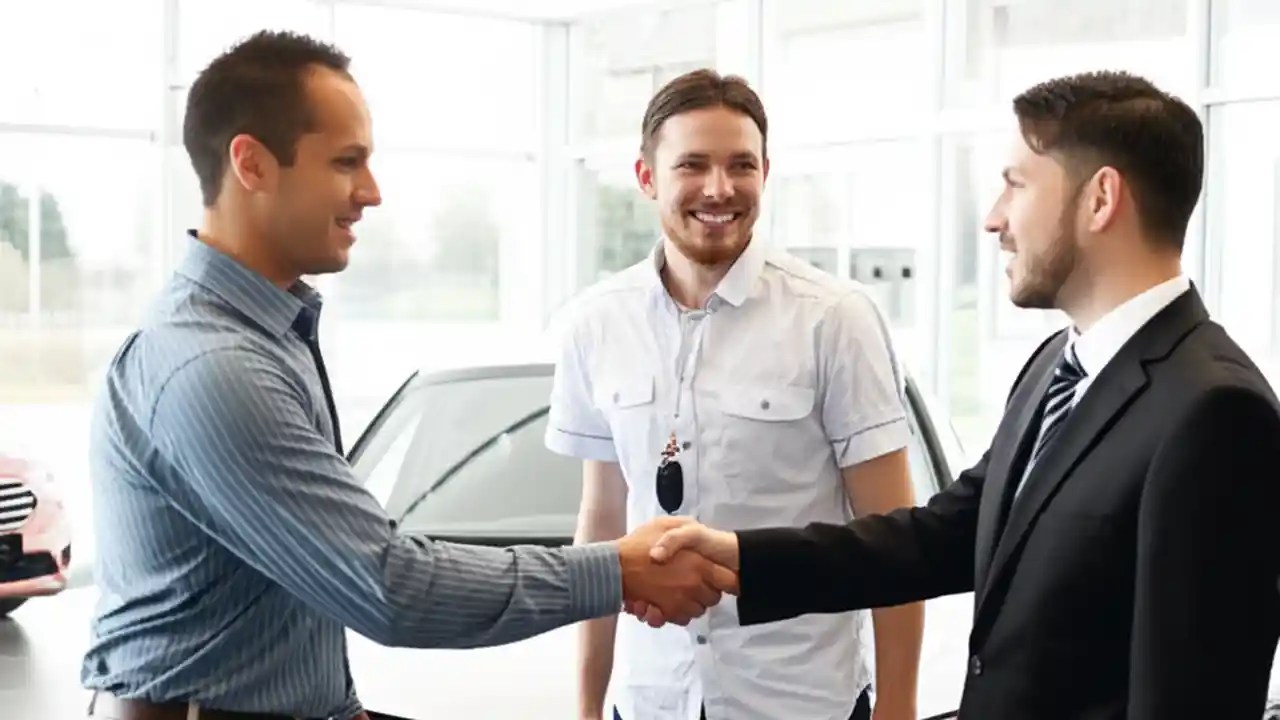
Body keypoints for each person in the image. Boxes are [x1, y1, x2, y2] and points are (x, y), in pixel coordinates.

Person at [81, 31, 735, 720]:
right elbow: (387, 586)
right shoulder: (213, 370)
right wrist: (619, 567)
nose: (370, 192)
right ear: (252, 164)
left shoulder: (266, 335)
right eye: (346, 162)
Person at [636, 69, 1280, 720]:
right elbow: (944, 537)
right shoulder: (1059, 364)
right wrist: (740, 558)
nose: (995, 219)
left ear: (1100, 199)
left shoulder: (1217, 413)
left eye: (1016, 184)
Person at [545, 68, 923, 720]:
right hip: (652, 700)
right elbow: (601, 522)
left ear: (765, 174)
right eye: (692, 165)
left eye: (741, 165)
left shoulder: (835, 317)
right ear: (647, 177)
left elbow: (893, 537)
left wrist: (898, 707)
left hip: (801, 702)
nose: (719, 188)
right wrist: (586, 705)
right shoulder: (594, 322)